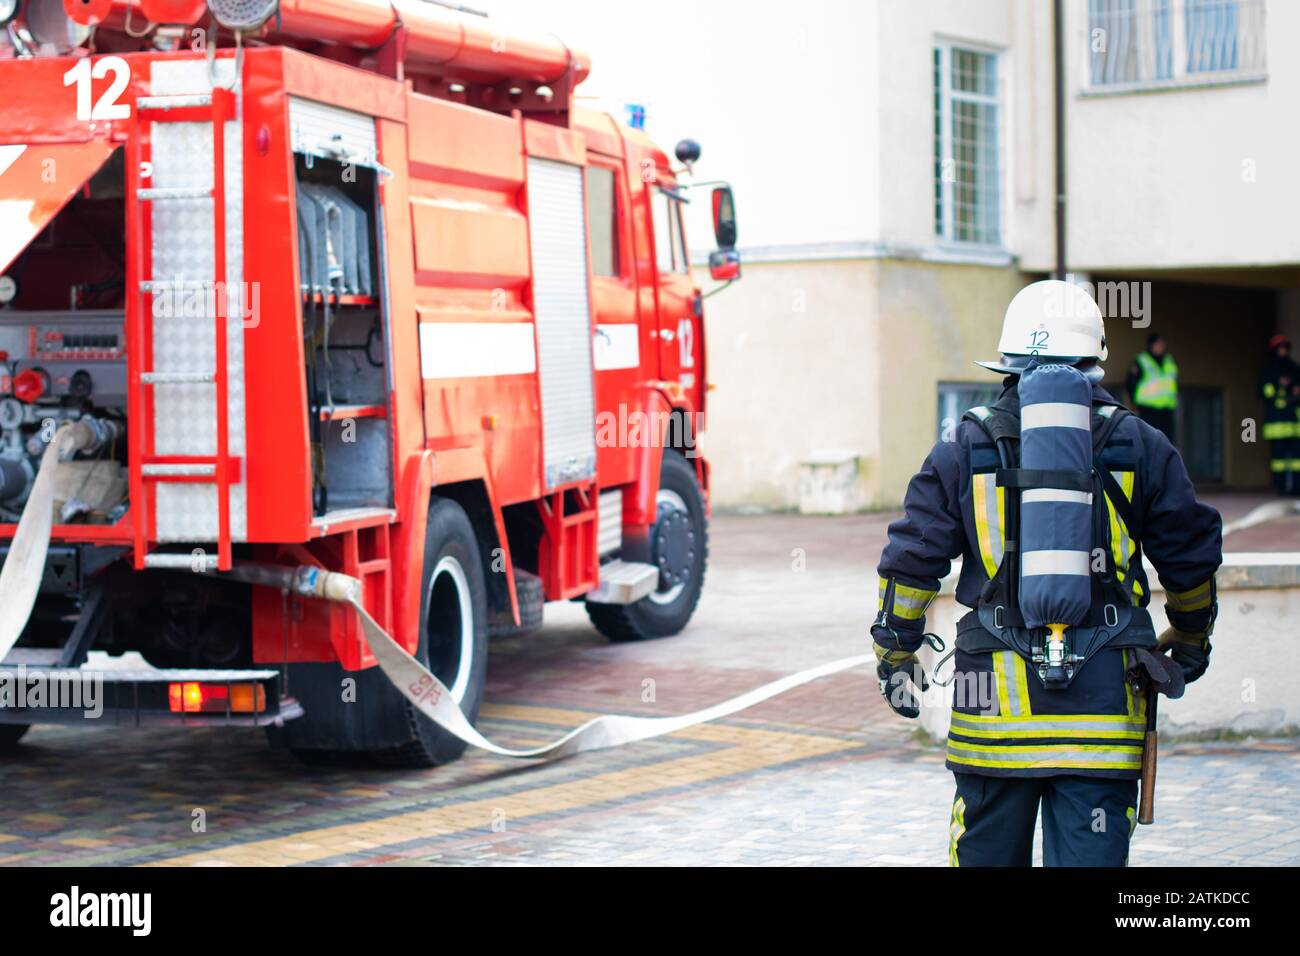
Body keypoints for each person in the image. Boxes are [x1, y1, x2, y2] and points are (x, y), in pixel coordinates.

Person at [872, 280, 1221, 867]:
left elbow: (913, 561)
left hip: (993, 719)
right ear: (1094, 358)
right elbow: (1191, 557)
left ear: (1007, 362)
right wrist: (1188, 638)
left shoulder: (965, 443)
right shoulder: (1140, 442)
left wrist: (896, 654)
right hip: (1103, 717)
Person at [1259, 334, 1300, 495]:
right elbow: (1263, 391)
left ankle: (1297, 487)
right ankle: (1281, 487)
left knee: (1297, 459)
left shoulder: (1294, 368)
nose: (1282, 351)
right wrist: (1277, 387)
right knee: (1279, 459)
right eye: (1279, 348)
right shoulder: (1269, 370)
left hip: (1295, 423)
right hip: (1276, 422)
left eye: (1285, 347)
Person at [1125, 333, 1178, 445]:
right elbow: (1130, 384)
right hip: (1148, 410)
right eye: (1158, 344)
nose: (1161, 347)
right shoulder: (1141, 361)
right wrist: (1134, 404)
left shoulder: (1169, 361)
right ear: (1151, 345)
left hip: (1167, 410)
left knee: (1167, 443)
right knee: (1149, 442)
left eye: (1162, 344)